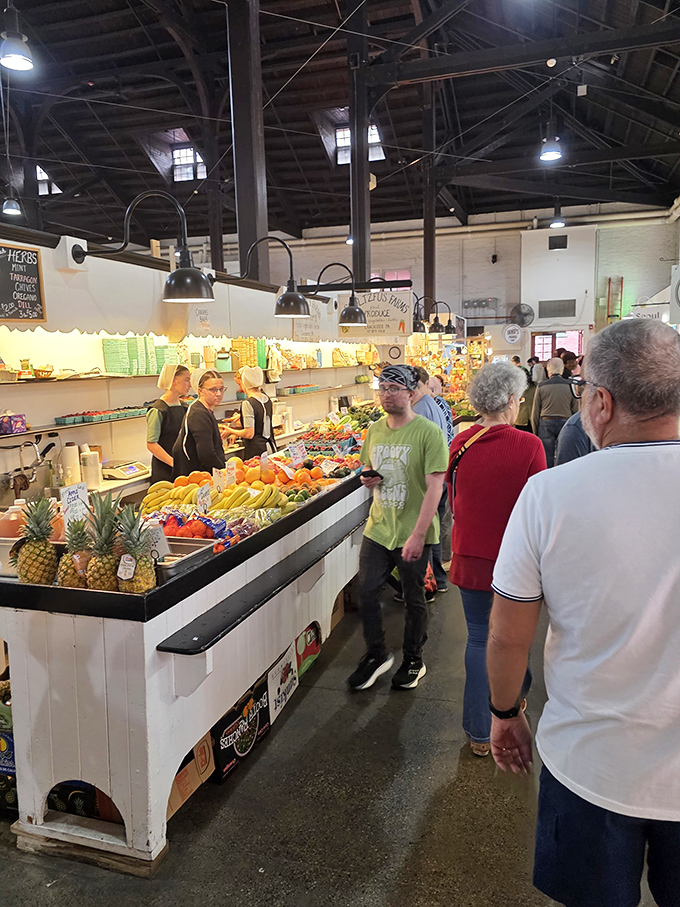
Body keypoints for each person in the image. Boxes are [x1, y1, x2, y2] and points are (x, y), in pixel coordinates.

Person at [487, 318, 680, 907]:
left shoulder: (550, 494)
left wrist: (504, 713)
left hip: (589, 765)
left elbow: (507, 635)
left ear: (600, 401)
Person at [446, 362, 546, 756]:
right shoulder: (528, 445)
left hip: (469, 555)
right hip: (516, 562)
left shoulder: (462, 442)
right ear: (509, 401)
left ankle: (477, 733)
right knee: (513, 638)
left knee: (477, 640)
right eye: (519, 399)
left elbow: (454, 501)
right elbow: (539, 507)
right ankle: (511, 701)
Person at [347, 365, 448, 692]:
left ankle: (413, 659)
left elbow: (436, 487)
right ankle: (376, 654)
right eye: (383, 388)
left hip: (413, 530)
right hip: (379, 528)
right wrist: (368, 477)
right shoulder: (375, 429)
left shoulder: (428, 432)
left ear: (410, 392)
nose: (387, 394)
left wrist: (419, 534)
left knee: (413, 598)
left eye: (394, 388)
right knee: (366, 591)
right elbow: (367, 465)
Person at [411, 366, 449, 593]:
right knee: (432, 529)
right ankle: (438, 581)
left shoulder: (420, 410)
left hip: (429, 480)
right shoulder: (431, 404)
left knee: (427, 532)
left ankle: (430, 585)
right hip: (438, 477)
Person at [172, 369, 227, 477]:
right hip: (196, 477)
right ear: (200, 391)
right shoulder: (198, 414)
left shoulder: (205, 410)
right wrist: (224, 474)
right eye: (213, 390)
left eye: (221, 389)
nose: (219, 394)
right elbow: (206, 454)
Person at [146, 364, 191, 483]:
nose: (190, 385)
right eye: (186, 380)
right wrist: (173, 462)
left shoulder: (185, 407)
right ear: (174, 381)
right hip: (165, 471)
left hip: (184, 468)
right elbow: (152, 444)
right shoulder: (158, 410)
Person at [531, 357, 579, 467]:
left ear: (548, 371)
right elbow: (576, 410)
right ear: (562, 370)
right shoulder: (570, 385)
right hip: (566, 423)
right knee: (564, 456)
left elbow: (535, 411)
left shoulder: (541, 386)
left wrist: (535, 431)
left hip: (546, 423)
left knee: (546, 457)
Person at [226, 366, 276, 459]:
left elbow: (249, 434)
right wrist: (242, 416)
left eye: (240, 384)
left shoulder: (247, 403)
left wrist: (230, 431)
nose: (239, 387)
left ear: (245, 383)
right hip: (270, 446)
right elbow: (261, 418)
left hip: (256, 452)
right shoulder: (267, 399)